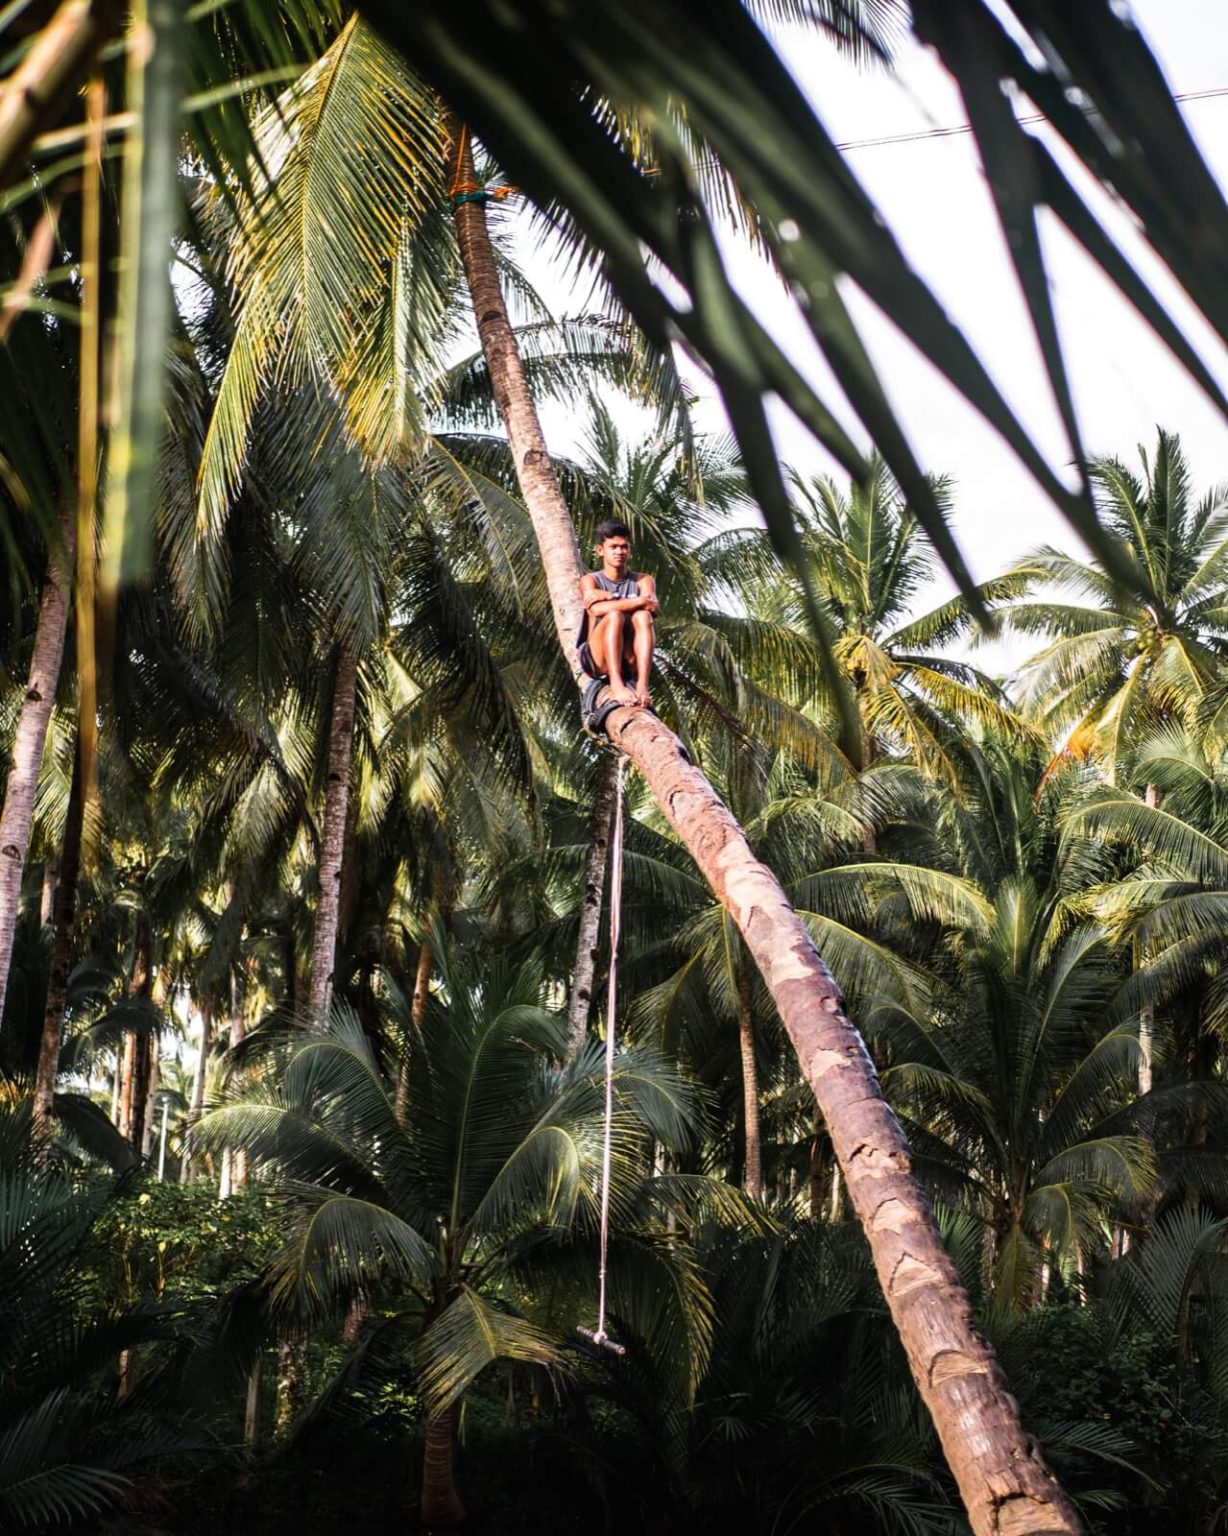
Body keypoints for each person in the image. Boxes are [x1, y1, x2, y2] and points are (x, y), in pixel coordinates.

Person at [576, 520, 658, 708]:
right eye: (613, 547)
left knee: (643, 616)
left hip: (628, 657)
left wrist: (610, 597)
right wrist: (639, 601)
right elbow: (596, 610)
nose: (619, 552)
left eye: (624, 547)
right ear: (600, 550)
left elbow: (653, 607)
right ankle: (616, 683)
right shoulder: (590, 581)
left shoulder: (643, 580)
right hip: (597, 659)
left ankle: (643, 685)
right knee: (614, 616)